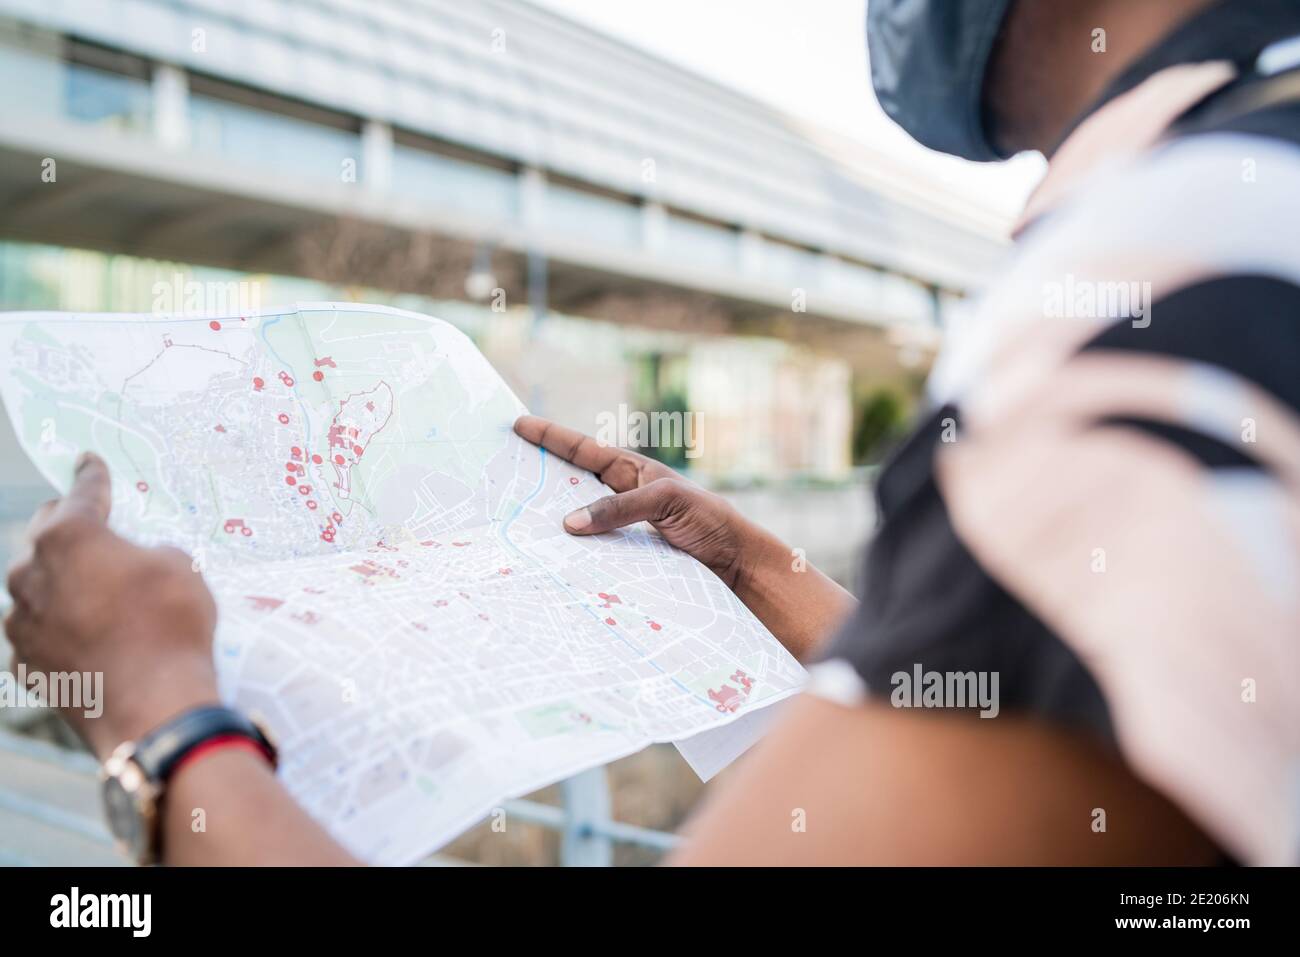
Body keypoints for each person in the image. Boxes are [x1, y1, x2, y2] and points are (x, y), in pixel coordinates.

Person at [6, 0, 1299, 865]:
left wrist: (157, 720)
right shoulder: (1254, 197)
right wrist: (763, 574)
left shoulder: (1174, 276)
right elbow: (1117, 720)